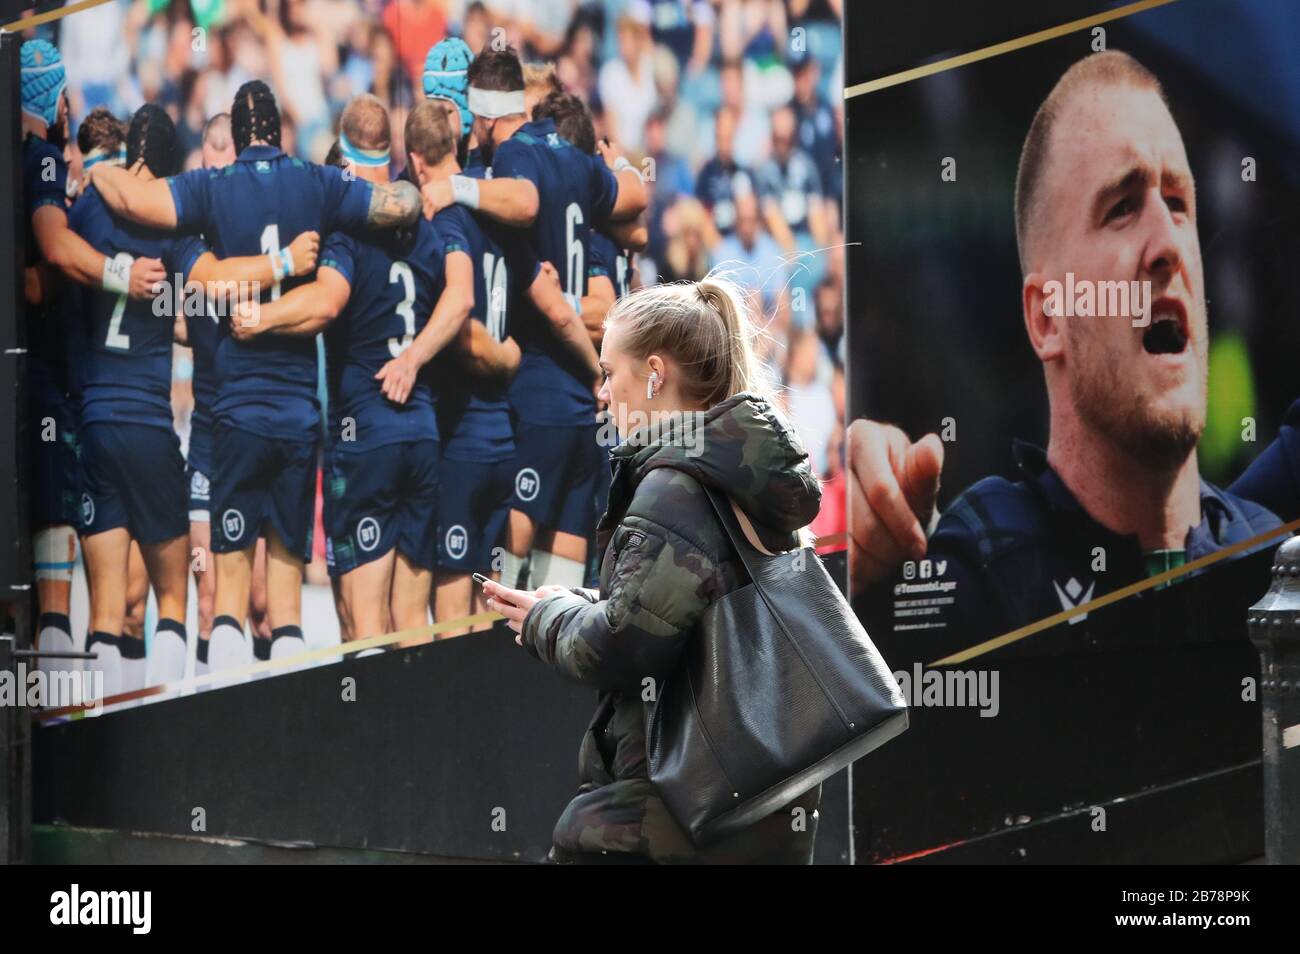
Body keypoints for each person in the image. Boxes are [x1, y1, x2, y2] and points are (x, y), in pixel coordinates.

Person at [846, 52, 1281, 647]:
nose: (1169, 246)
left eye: (1179, 204)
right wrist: (863, 588)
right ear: (1048, 318)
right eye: (1123, 207)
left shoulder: (1276, 568)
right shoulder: (980, 572)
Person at [484, 275, 825, 864]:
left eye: (608, 372)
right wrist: (585, 601)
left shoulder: (676, 487)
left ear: (655, 373)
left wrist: (550, 619)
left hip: (673, 814)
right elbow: (687, 614)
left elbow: (625, 646)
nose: (601, 393)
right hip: (762, 809)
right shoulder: (742, 477)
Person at [88, 79, 422, 674]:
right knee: (288, 608)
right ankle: (288, 744)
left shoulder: (208, 189)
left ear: (236, 140)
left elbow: (135, 204)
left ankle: (220, 741)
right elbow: (401, 203)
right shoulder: (317, 183)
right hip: (298, 418)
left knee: (228, 604)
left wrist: (101, 168)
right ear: (282, 132)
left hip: (235, 417)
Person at [420, 45, 647, 593]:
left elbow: (521, 203)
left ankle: (485, 678)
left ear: (485, 116)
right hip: (580, 409)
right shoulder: (573, 158)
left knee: (501, 578)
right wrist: (615, 159)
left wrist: (457, 187)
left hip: (539, 386)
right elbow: (636, 204)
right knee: (560, 590)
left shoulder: (516, 156)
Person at [232, 95, 455, 646]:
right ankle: (430, 733)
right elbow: (461, 297)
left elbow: (326, 303)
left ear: (346, 161)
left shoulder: (349, 231)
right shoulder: (427, 228)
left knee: (364, 628)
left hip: (367, 437)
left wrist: (260, 318)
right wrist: (415, 357)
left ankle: (374, 731)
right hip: (422, 434)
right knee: (412, 623)